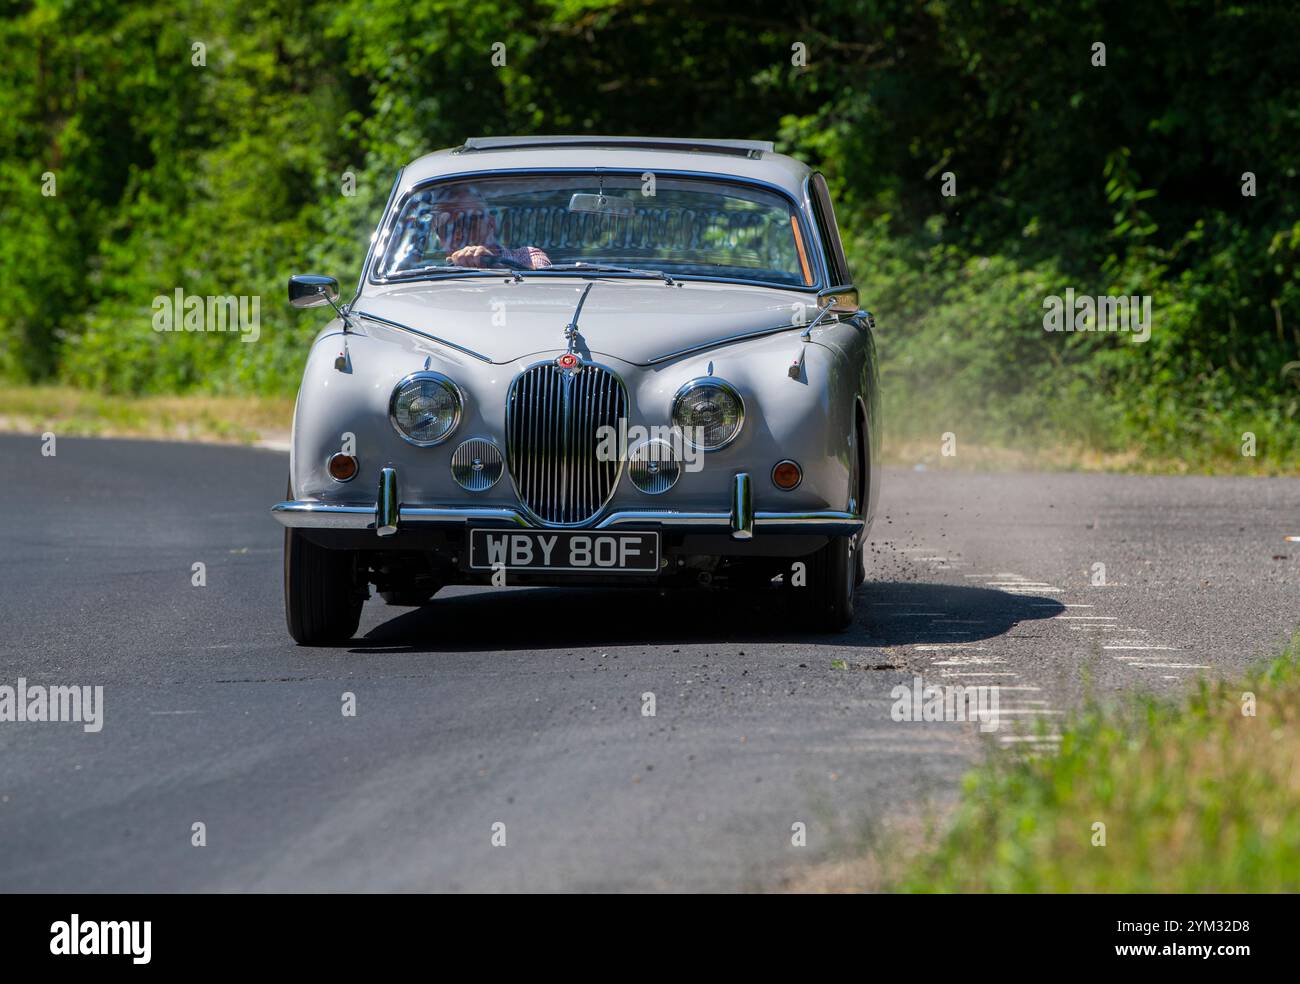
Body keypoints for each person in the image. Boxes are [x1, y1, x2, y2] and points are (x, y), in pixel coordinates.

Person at [432, 185, 550, 270]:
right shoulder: (429, 273)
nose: (457, 234)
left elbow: (543, 282)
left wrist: (495, 264)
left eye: (469, 222)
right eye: (445, 228)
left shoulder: (526, 256)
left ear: (491, 222)